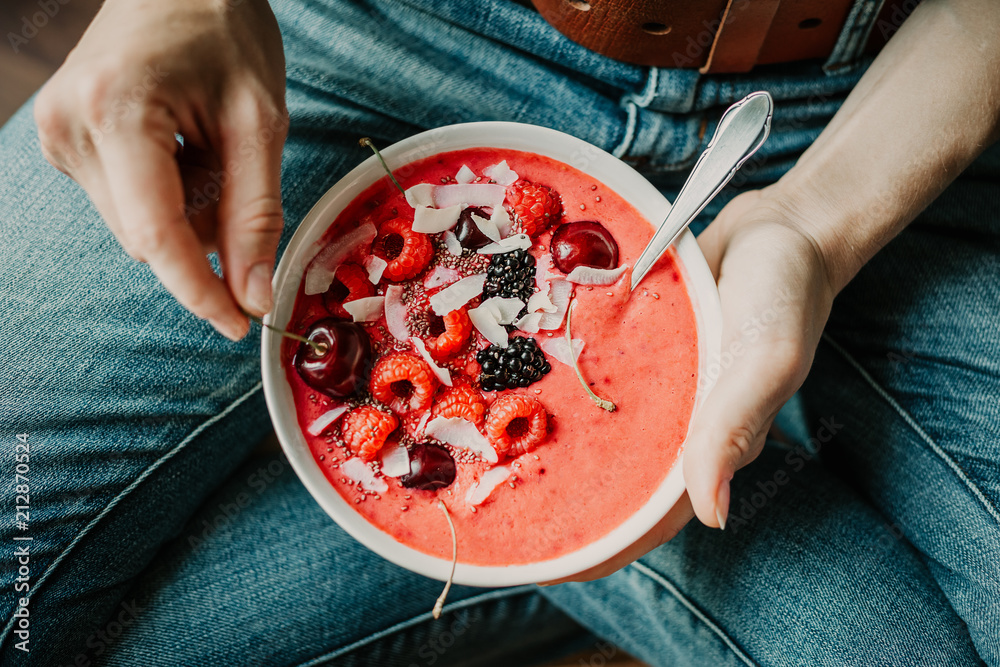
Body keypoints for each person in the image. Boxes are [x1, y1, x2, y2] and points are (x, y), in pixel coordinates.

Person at [1, 0, 997, 664]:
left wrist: (816, 222)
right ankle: (500, 520)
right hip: (391, 27)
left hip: (870, 96)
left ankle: (484, 514)